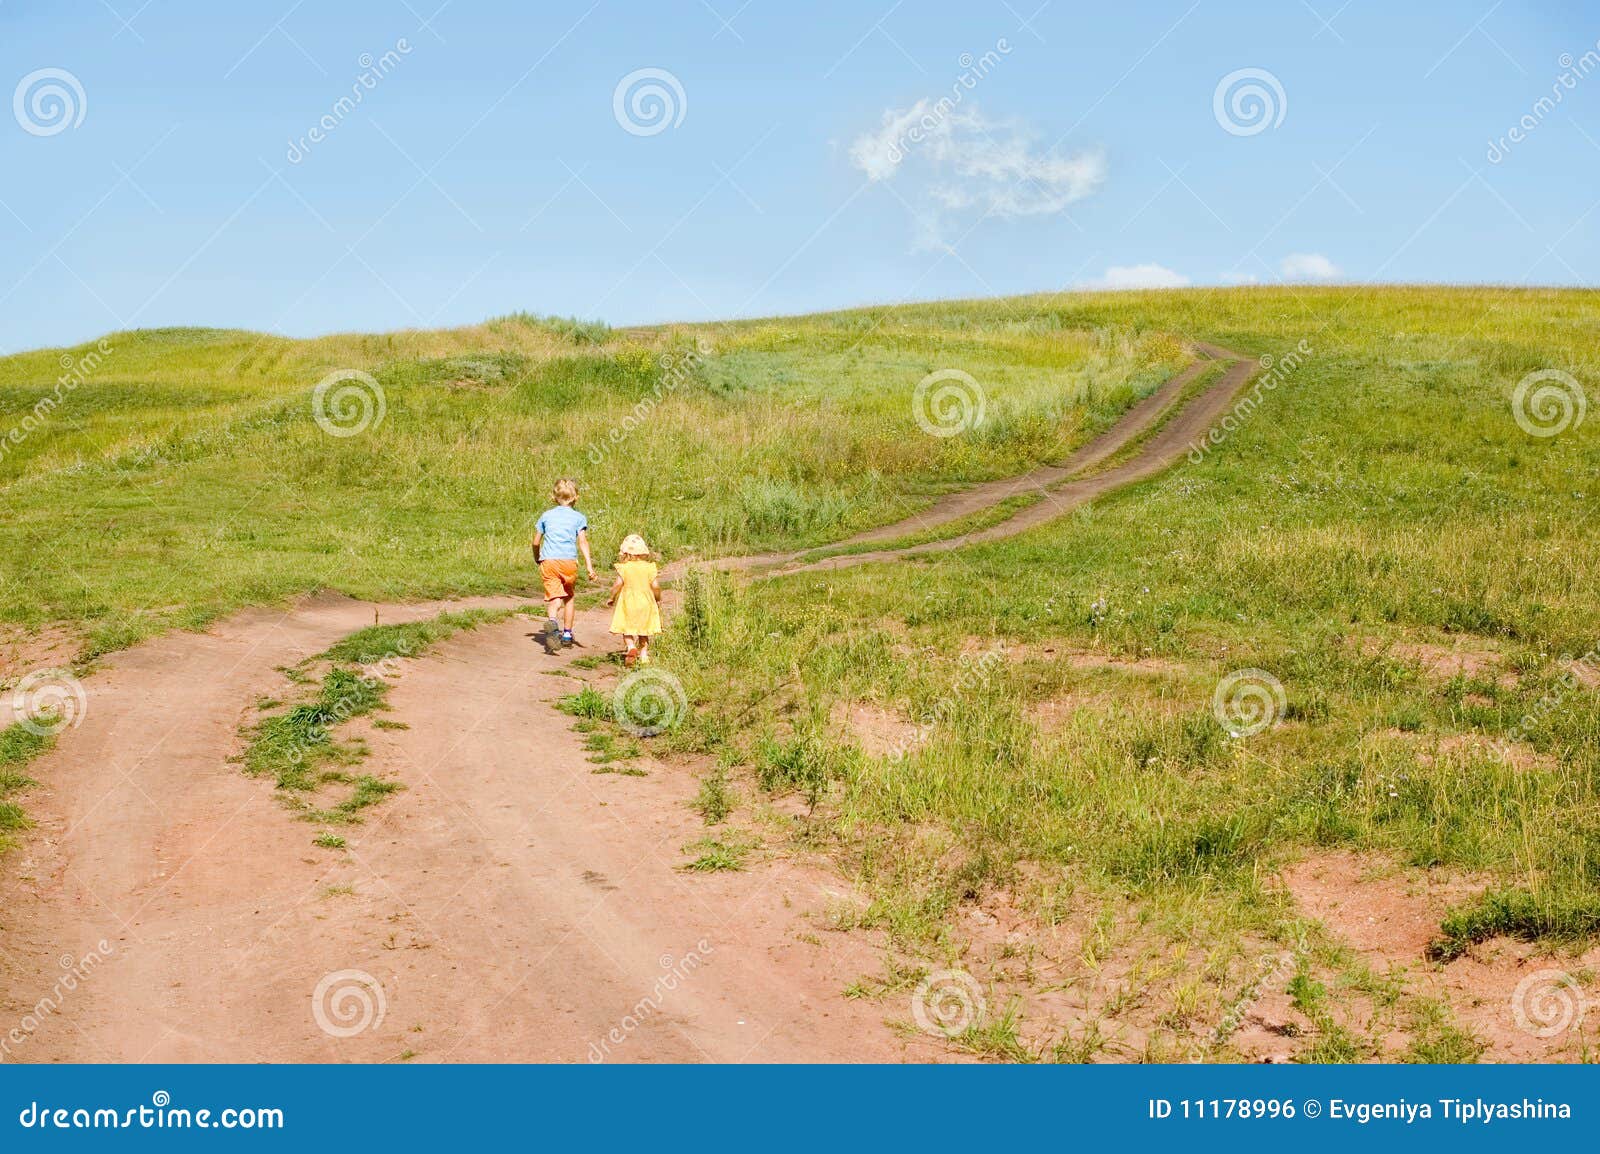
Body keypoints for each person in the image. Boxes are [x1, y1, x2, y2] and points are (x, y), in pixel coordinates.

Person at [532, 478, 596, 652]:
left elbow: (536, 541)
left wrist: (537, 557)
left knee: (554, 597)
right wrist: (589, 566)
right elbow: (583, 542)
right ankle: (567, 634)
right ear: (576, 497)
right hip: (568, 562)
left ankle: (553, 622)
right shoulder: (579, 517)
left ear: (554, 496)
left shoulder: (546, 516)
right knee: (569, 597)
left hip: (549, 561)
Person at [605, 533, 662, 666]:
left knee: (627, 628)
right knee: (644, 630)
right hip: (646, 602)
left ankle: (631, 647)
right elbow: (656, 586)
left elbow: (617, 585)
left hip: (628, 602)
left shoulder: (624, 567)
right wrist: (657, 598)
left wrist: (611, 597)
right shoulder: (649, 567)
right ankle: (643, 657)